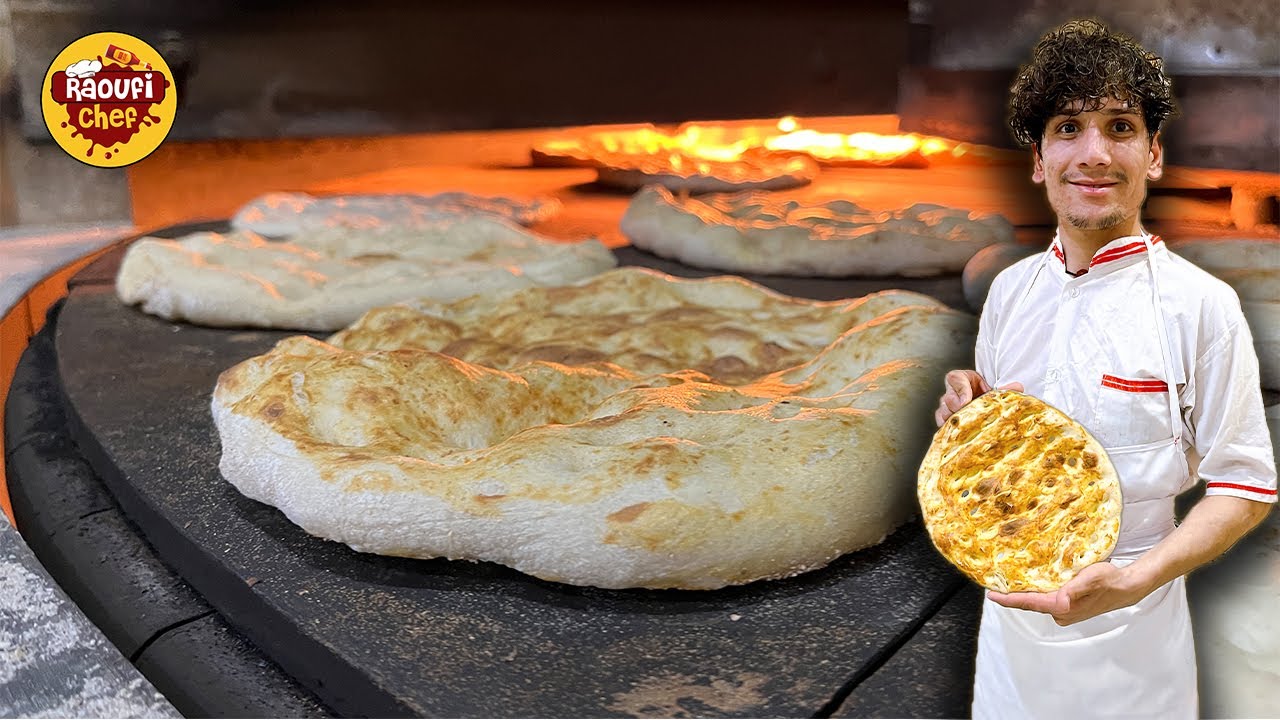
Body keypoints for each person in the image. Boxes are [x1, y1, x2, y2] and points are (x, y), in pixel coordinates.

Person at [933, 19, 1277, 719]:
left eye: (1119, 127)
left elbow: (1245, 486)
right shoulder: (1010, 291)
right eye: (1068, 128)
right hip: (1010, 635)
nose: (1094, 154)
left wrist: (1132, 580)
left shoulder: (1201, 307)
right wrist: (968, 432)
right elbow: (1005, 469)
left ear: (1152, 155)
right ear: (1037, 159)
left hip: (1137, 639)